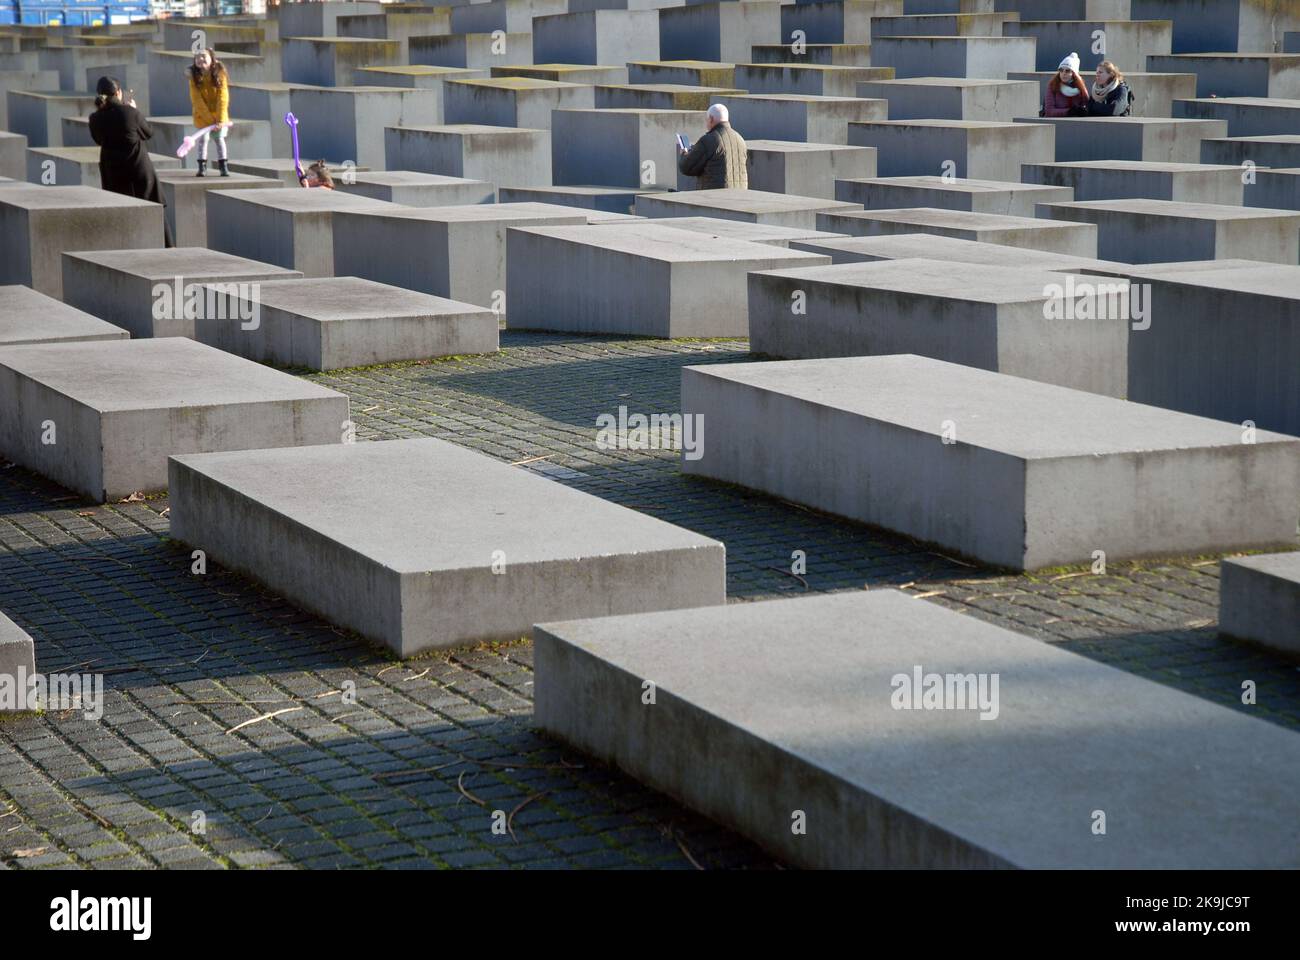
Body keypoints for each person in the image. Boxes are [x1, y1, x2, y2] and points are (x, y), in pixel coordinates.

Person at [88, 75, 173, 247]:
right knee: (156, 213)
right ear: (118, 92)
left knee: (122, 217)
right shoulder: (130, 113)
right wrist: (135, 110)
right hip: (139, 170)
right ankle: (168, 250)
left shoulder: (95, 118)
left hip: (114, 173)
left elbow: (98, 140)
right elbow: (148, 132)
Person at [677, 103, 747, 190]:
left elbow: (686, 167)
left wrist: (684, 154)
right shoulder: (740, 139)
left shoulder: (709, 140)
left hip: (714, 198)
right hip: (740, 196)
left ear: (711, 119)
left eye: (707, 119)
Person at [188, 48, 230, 176]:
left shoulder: (220, 74)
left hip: (219, 117)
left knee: (219, 140)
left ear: (212, 59)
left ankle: (223, 166)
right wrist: (210, 120)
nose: (200, 59)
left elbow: (223, 97)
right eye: (197, 57)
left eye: (204, 56)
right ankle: (202, 167)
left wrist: (220, 119)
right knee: (203, 140)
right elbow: (197, 101)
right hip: (202, 117)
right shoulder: (193, 78)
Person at [1042, 52, 1089, 117]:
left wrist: (1081, 110)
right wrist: (1069, 111)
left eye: (1067, 71)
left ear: (1074, 73)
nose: (1064, 73)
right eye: (1061, 70)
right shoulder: (1053, 85)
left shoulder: (1080, 87)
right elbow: (1049, 111)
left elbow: (1086, 104)